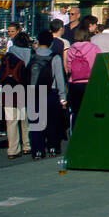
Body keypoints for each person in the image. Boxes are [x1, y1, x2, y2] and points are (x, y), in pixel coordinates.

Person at [27, 30, 68, 160]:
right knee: (52, 122)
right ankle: (52, 147)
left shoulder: (31, 56)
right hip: (51, 93)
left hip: (33, 93)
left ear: (38, 41)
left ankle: (37, 151)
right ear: (51, 43)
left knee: (35, 124)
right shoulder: (55, 57)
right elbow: (60, 78)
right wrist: (63, 97)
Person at [0, 33, 34, 159]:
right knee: (25, 120)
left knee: (11, 122)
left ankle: (13, 149)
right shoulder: (29, 55)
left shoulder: (7, 56)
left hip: (8, 90)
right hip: (23, 90)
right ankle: (27, 146)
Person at [63, 25, 102, 127]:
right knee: (90, 111)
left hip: (74, 83)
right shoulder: (94, 48)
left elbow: (69, 67)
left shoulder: (72, 48)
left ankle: (75, 134)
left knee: (76, 111)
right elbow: (99, 65)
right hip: (90, 83)